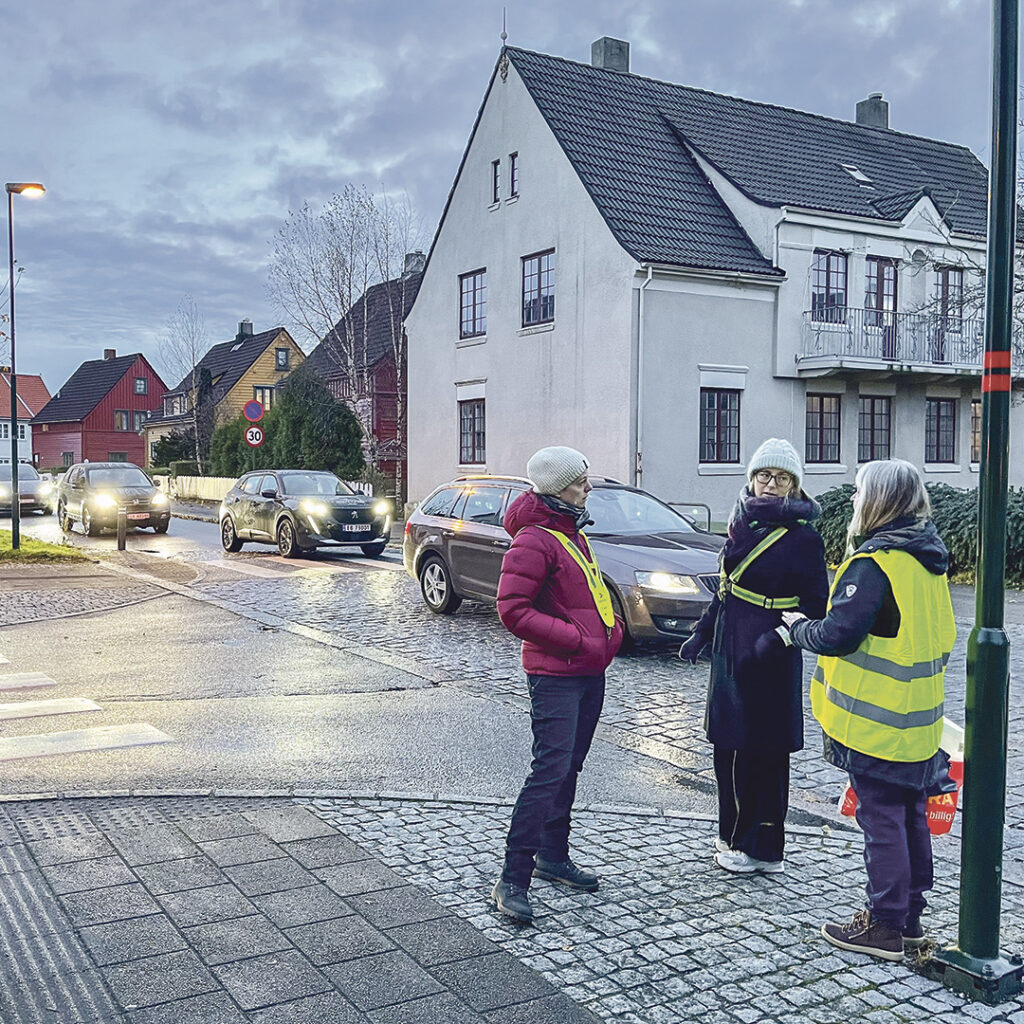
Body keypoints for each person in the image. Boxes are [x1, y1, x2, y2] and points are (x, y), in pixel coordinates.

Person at [779, 459, 956, 961]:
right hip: (920, 722)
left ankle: (883, 925)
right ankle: (910, 921)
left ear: (877, 500)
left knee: (882, 821)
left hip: (878, 724)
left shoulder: (874, 563)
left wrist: (797, 628)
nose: (853, 500)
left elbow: (838, 634)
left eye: (858, 492)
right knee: (910, 817)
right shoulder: (928, 559)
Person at [679, 438, 828, 874]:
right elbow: (726, 589)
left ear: (795, 486)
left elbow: (816, 605)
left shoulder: (804, 539)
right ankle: (731, 836)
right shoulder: (741, 524)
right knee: (728, 746)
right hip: (730, 647)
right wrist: (702, 632)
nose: (770, 484)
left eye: (782, 478)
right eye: (764, 475)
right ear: (752, 478)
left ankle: (760, 847)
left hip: (769, 654)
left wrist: (780, 638)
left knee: (762, 751)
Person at [491, 446, 623, 924]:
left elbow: (586, 594)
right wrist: (576, 640)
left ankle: (553, 855)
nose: (589, 488)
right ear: (557, 488)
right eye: (581, 481)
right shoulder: (534, 540)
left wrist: (610, 636)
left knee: (569, 767)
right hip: (554, 675)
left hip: (588, 672)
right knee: (548, 770)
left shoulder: (570, 532)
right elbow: (513, 610)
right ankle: (513, 878)